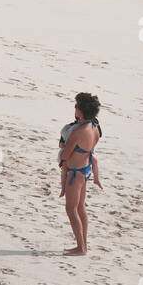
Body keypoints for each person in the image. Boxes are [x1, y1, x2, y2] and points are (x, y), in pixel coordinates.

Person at [59, 92, 103, 256]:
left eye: (77, 106)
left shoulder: (78, 132)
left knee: (71, 209)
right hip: (86, 169)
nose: (75, 108)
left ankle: (81, 248)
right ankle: (83, 244)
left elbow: (66, 154)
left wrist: (63, 152)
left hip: (75, 174)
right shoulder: (95, 126)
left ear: (82, 110)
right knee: (80, 208)